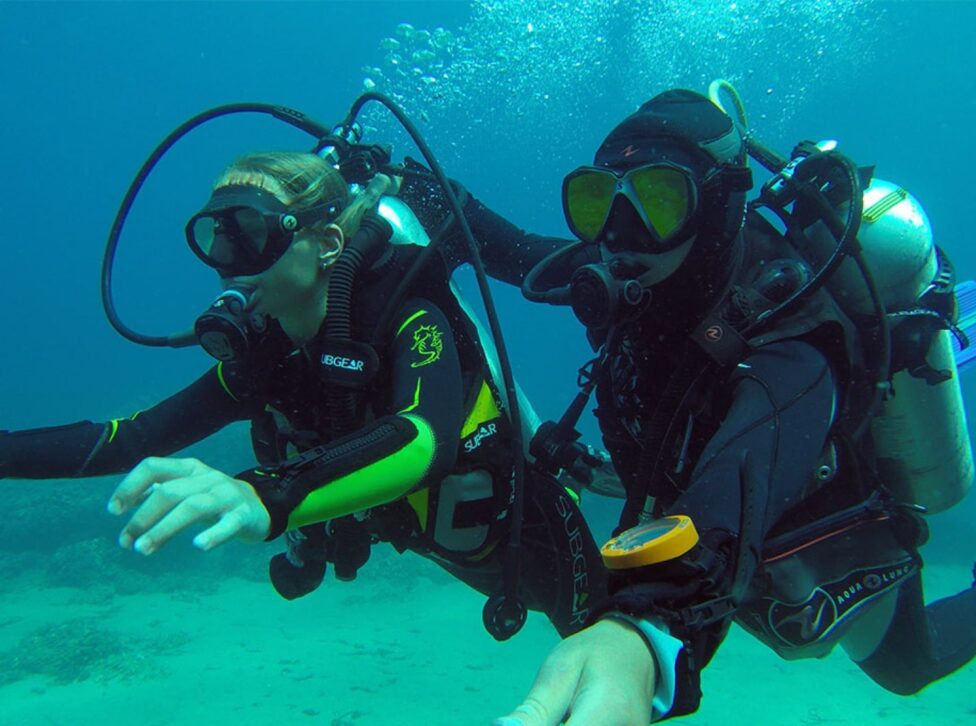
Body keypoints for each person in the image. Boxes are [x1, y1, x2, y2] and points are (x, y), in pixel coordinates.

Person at [396, 89, 976, 724]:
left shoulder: (794, 333)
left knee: (905, 667)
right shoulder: (649, 273)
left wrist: (645, 629)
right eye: (598, 201)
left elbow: (741, 471)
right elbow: (515, 251)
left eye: (660, 199)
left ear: (720, 204)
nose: (620, 234)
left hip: (792, 520)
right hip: (707, 527)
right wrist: (417, 188)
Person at [0, 150, 607, 639]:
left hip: (522, 534)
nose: (228, 265)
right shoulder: (266, 359)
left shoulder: (406, 314)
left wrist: (267, 493)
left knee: (609, 653)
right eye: (218, 238)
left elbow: (424, 439)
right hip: (428, 537)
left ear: (326, 245)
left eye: (252, 237)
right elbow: (127, 439)